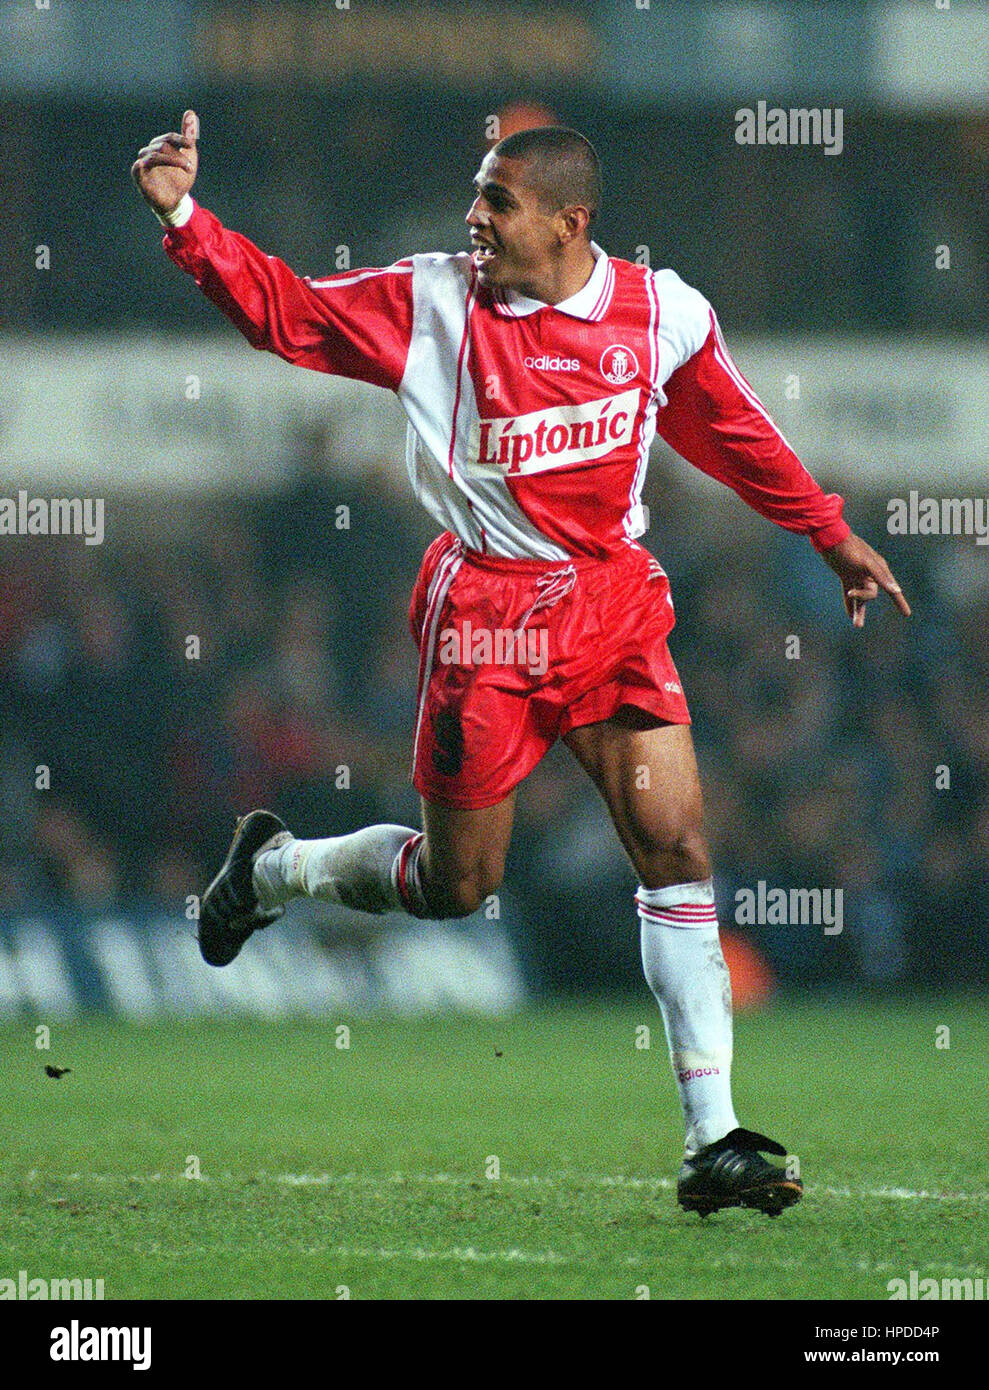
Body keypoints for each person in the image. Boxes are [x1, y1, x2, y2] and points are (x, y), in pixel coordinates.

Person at [131, 110, 910, 1217]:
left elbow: (726, 427)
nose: (475, 218)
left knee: (676, 846)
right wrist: (185, 219)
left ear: (568, 221)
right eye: (476, 196)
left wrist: (826, 532)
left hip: (611, 604)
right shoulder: (433, 302)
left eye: (497, 201)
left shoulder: (661, 313)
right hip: (486, 620)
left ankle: (712, 1138)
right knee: (457, 886)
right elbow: (288, 315)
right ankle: (273, 871)